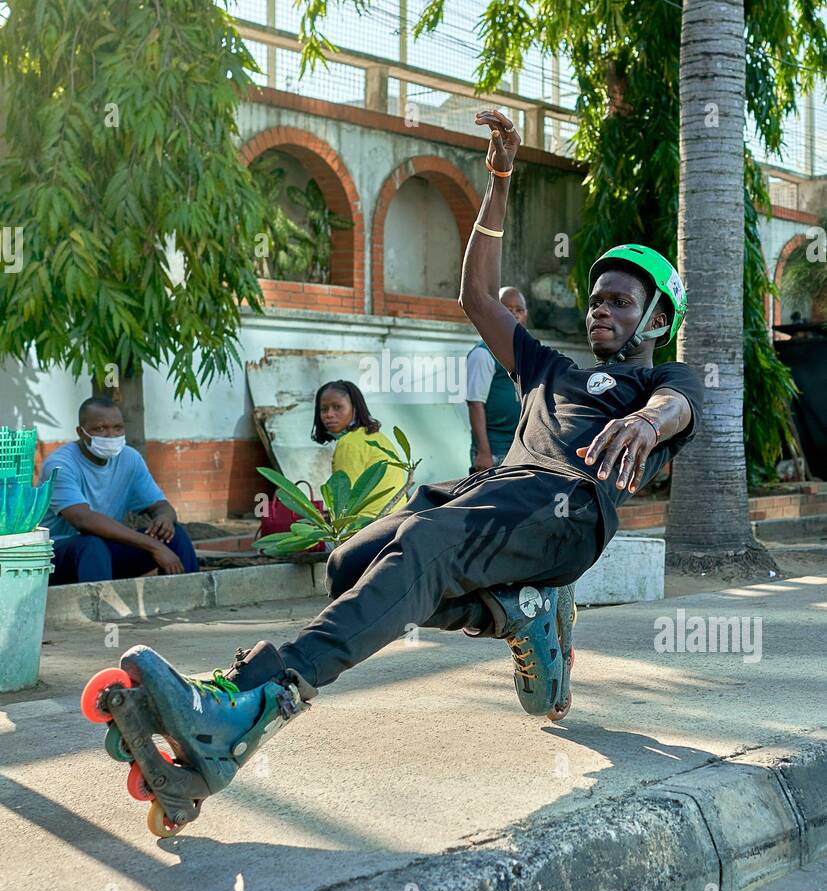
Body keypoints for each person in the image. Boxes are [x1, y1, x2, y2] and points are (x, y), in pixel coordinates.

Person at [90, 110, 704, 834]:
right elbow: (475, 297)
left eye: (620, 302)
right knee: (352, 565)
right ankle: (519, 613)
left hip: (564, 511)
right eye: (597, 298)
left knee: (422, 553)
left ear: (657, 319)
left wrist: (642, 422)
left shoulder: (661, 379)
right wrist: (499, 182)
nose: (601, 309)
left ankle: (252, 697)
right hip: (493, 496)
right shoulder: (549, 371)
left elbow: (677, 408)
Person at [42, 396, 199, 584]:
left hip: (103, 555)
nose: (111, 435)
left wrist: (164, 518)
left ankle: (190, 596)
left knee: (174, 535)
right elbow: (83, 520)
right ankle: (101, 610)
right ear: (81, 432)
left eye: (117, 428)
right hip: (54, 558)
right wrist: (153, 546)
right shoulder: (60, 465)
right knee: (90, 544)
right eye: (100, 429)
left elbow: (161, 506)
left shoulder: (130, 459)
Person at [313, 380, 408, 519]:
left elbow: (342, 498)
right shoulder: (376, 436)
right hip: (396, 518)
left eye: (337, 407)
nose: (329, 414)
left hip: (367, 526)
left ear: (354, 408)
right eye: (324, 409)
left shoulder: (349, 443)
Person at [466, 286, 526, 471]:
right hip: (495, 450)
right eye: (508, 310)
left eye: (519, 310)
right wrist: (484, 452)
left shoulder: (526, 352)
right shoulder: (483, 354)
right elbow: (475, 404)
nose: (514, 315)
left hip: (520, 447)